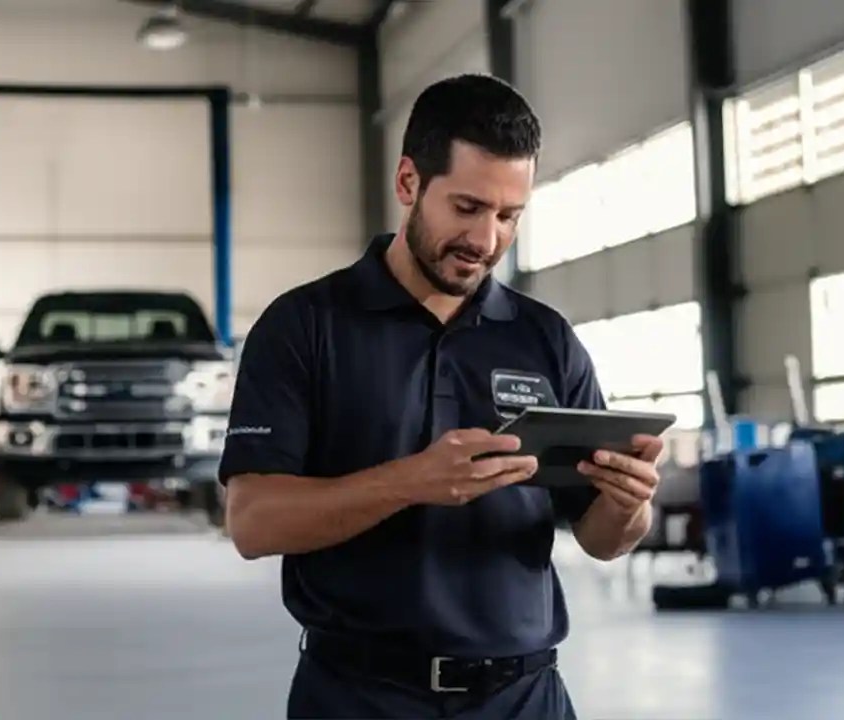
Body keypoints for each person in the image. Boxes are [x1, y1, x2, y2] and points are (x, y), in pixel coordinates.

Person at [218, 74, 663, 719]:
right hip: (359, 697)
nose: (486, 242)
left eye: (509, 216)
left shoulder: (546, 340)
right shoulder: (305, 327)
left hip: (524, 699)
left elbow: (602, 538)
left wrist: (629, 505)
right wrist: (413, 481)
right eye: (466, 208)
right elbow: (253, 523)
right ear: (408, 183)